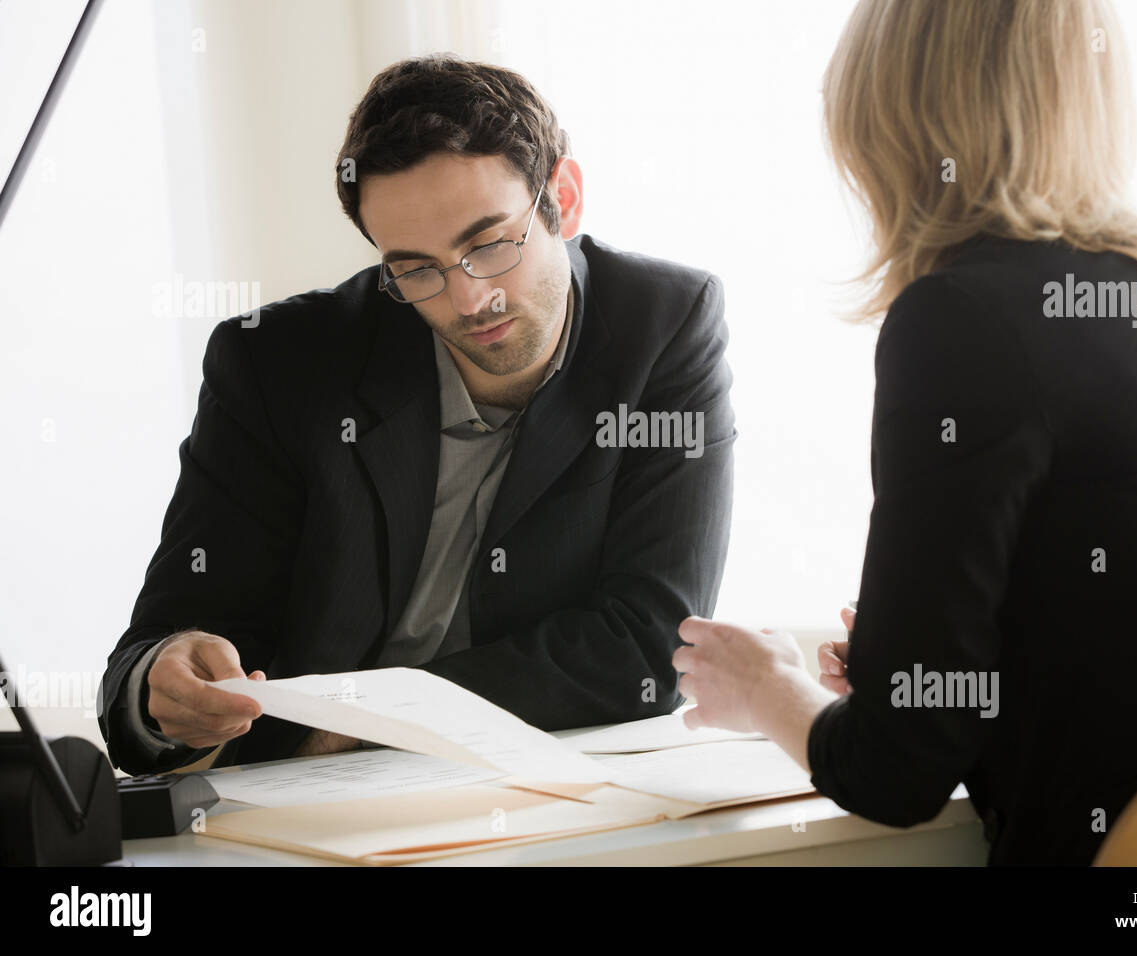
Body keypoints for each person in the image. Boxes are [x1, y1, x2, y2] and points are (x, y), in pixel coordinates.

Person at [674, 0, 1137, 865]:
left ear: (882, 114)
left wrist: (767, 687)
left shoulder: (961, 319)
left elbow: (897, 770)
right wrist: (922, 659)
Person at [99, 55, 735, 774]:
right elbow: (154, 658)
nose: (466, 301)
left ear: (564, 195)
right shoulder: (275, 365)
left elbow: (649, 648)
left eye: (489, 244)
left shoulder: (664, 326)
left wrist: (367, 720)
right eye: (414, 269)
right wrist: (167, 689)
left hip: (538, 785)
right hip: (301, 803)